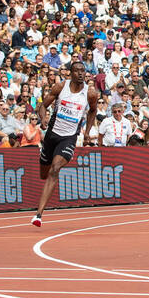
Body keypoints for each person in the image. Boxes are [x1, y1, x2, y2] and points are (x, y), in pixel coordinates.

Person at [32, 61, 100, 227]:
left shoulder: (90, 93)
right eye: (77, 71)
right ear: (70, 73)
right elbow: (43, 105)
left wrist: (86, 132)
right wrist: (43, 119)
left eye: (83, 71)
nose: (80, 74)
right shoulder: (60, 87)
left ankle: (38, 215)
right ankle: (40, 208)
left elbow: (93, 111)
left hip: (69, 138)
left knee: (55, 170)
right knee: (44, 173)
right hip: (51, 135)